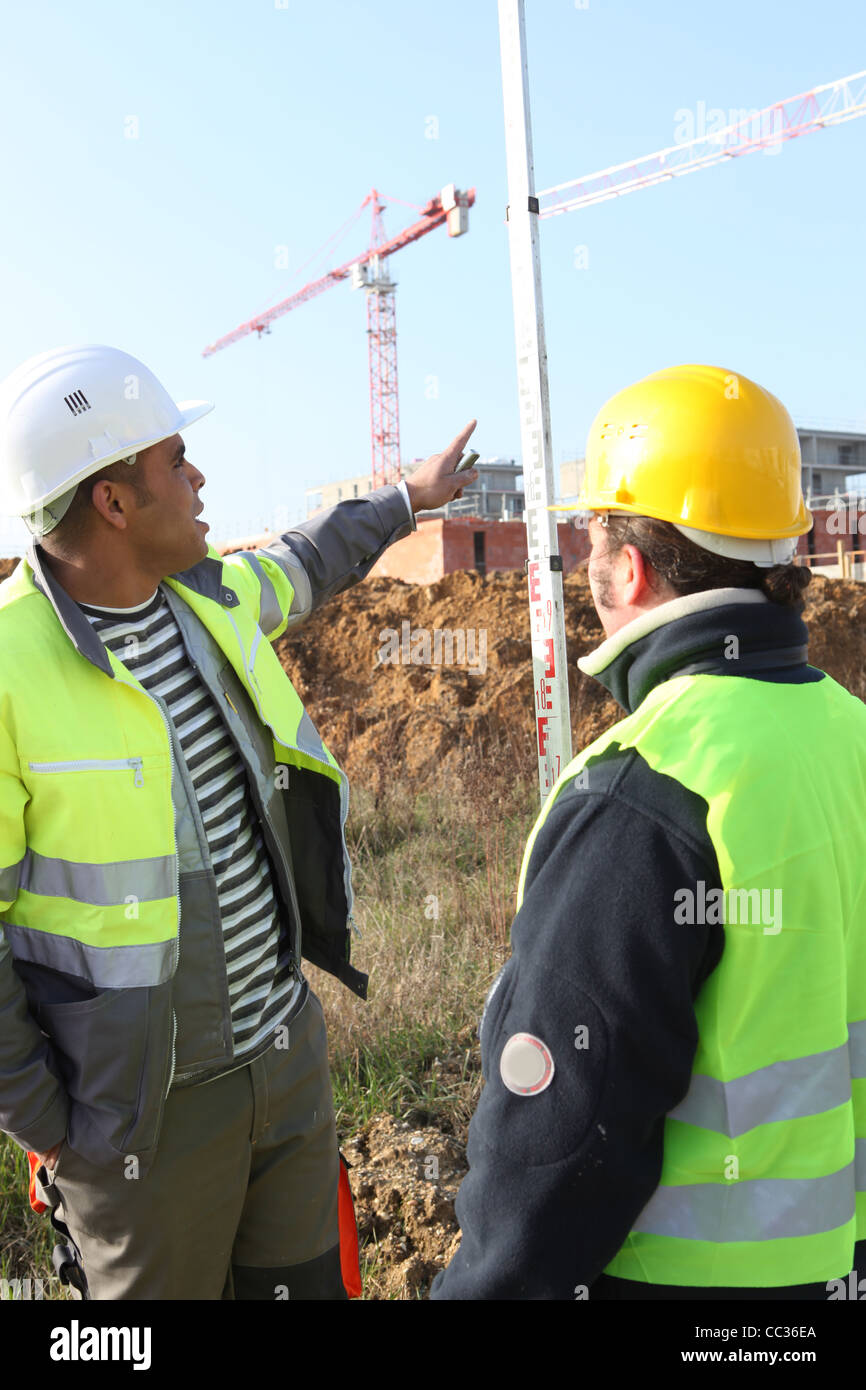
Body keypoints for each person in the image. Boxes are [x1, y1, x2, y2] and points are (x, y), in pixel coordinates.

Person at [0, 341, 477, 1300]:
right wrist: (55, 1125)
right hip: (141, 1124)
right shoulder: (10, 666)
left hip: (284, 1063)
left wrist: (407, 499)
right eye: (177, 460)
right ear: (114, 501)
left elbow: (308, 558)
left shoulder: (210, 595)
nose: (200, 478)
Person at [430, 363, 866, 1301]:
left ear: (628, 567)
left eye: (595, 533)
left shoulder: (644, 790)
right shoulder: (850, 732)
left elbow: (554, 1147)